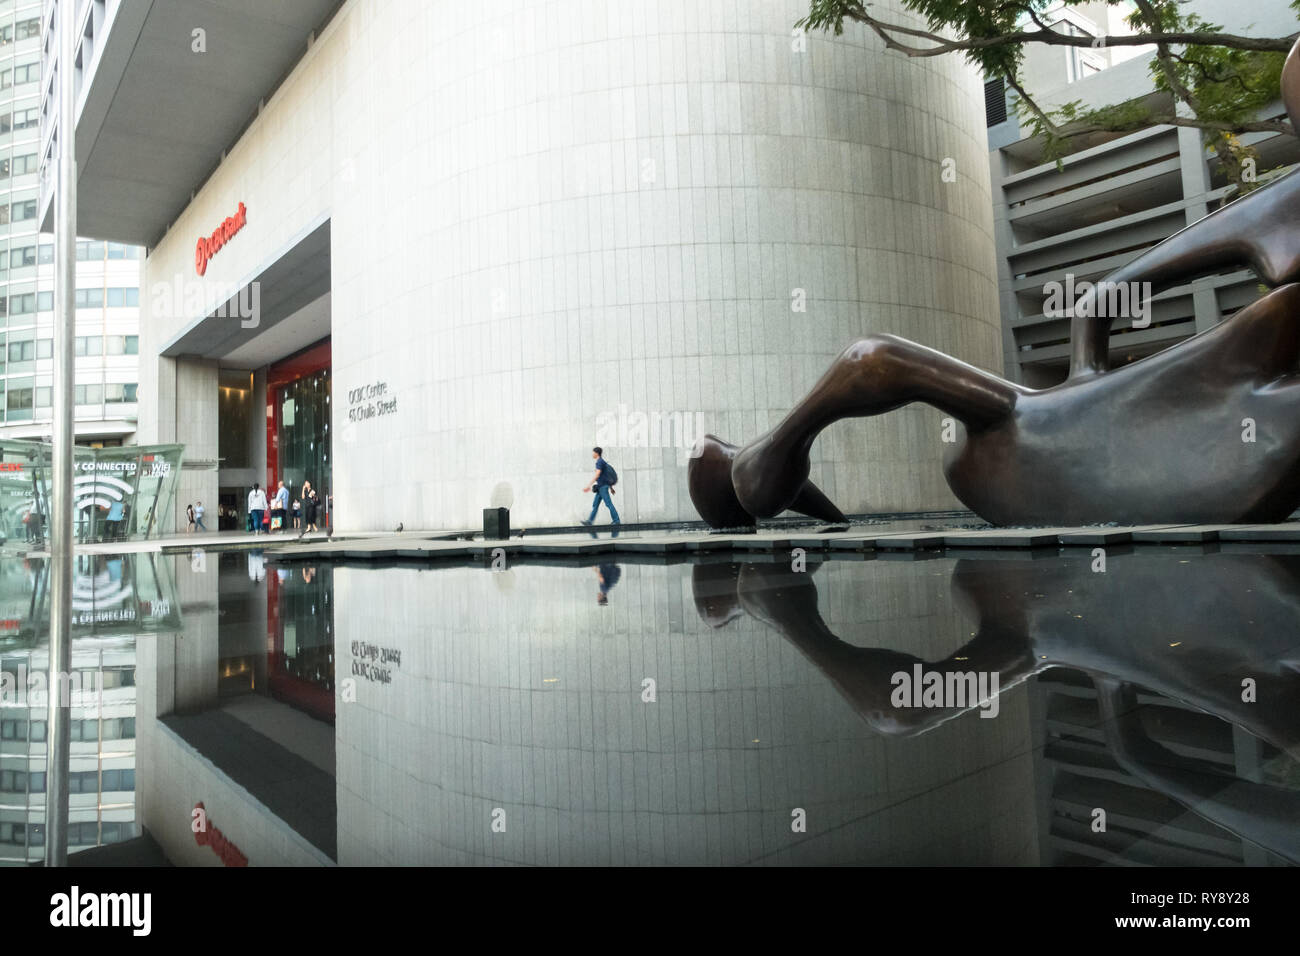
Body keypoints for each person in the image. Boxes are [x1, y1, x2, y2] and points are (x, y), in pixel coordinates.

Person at [581, 446, 620, 526]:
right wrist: (611, 488)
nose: (592, 454)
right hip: (601, 487)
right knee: (595, 504)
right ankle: (590, 521)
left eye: (593, 452)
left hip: (602, 488)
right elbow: (606, 476)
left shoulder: (599, 462)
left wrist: (589, 485)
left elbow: (597, 474)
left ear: (596, 453)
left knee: (608, 504)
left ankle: (616, 520)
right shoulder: (601, 462)